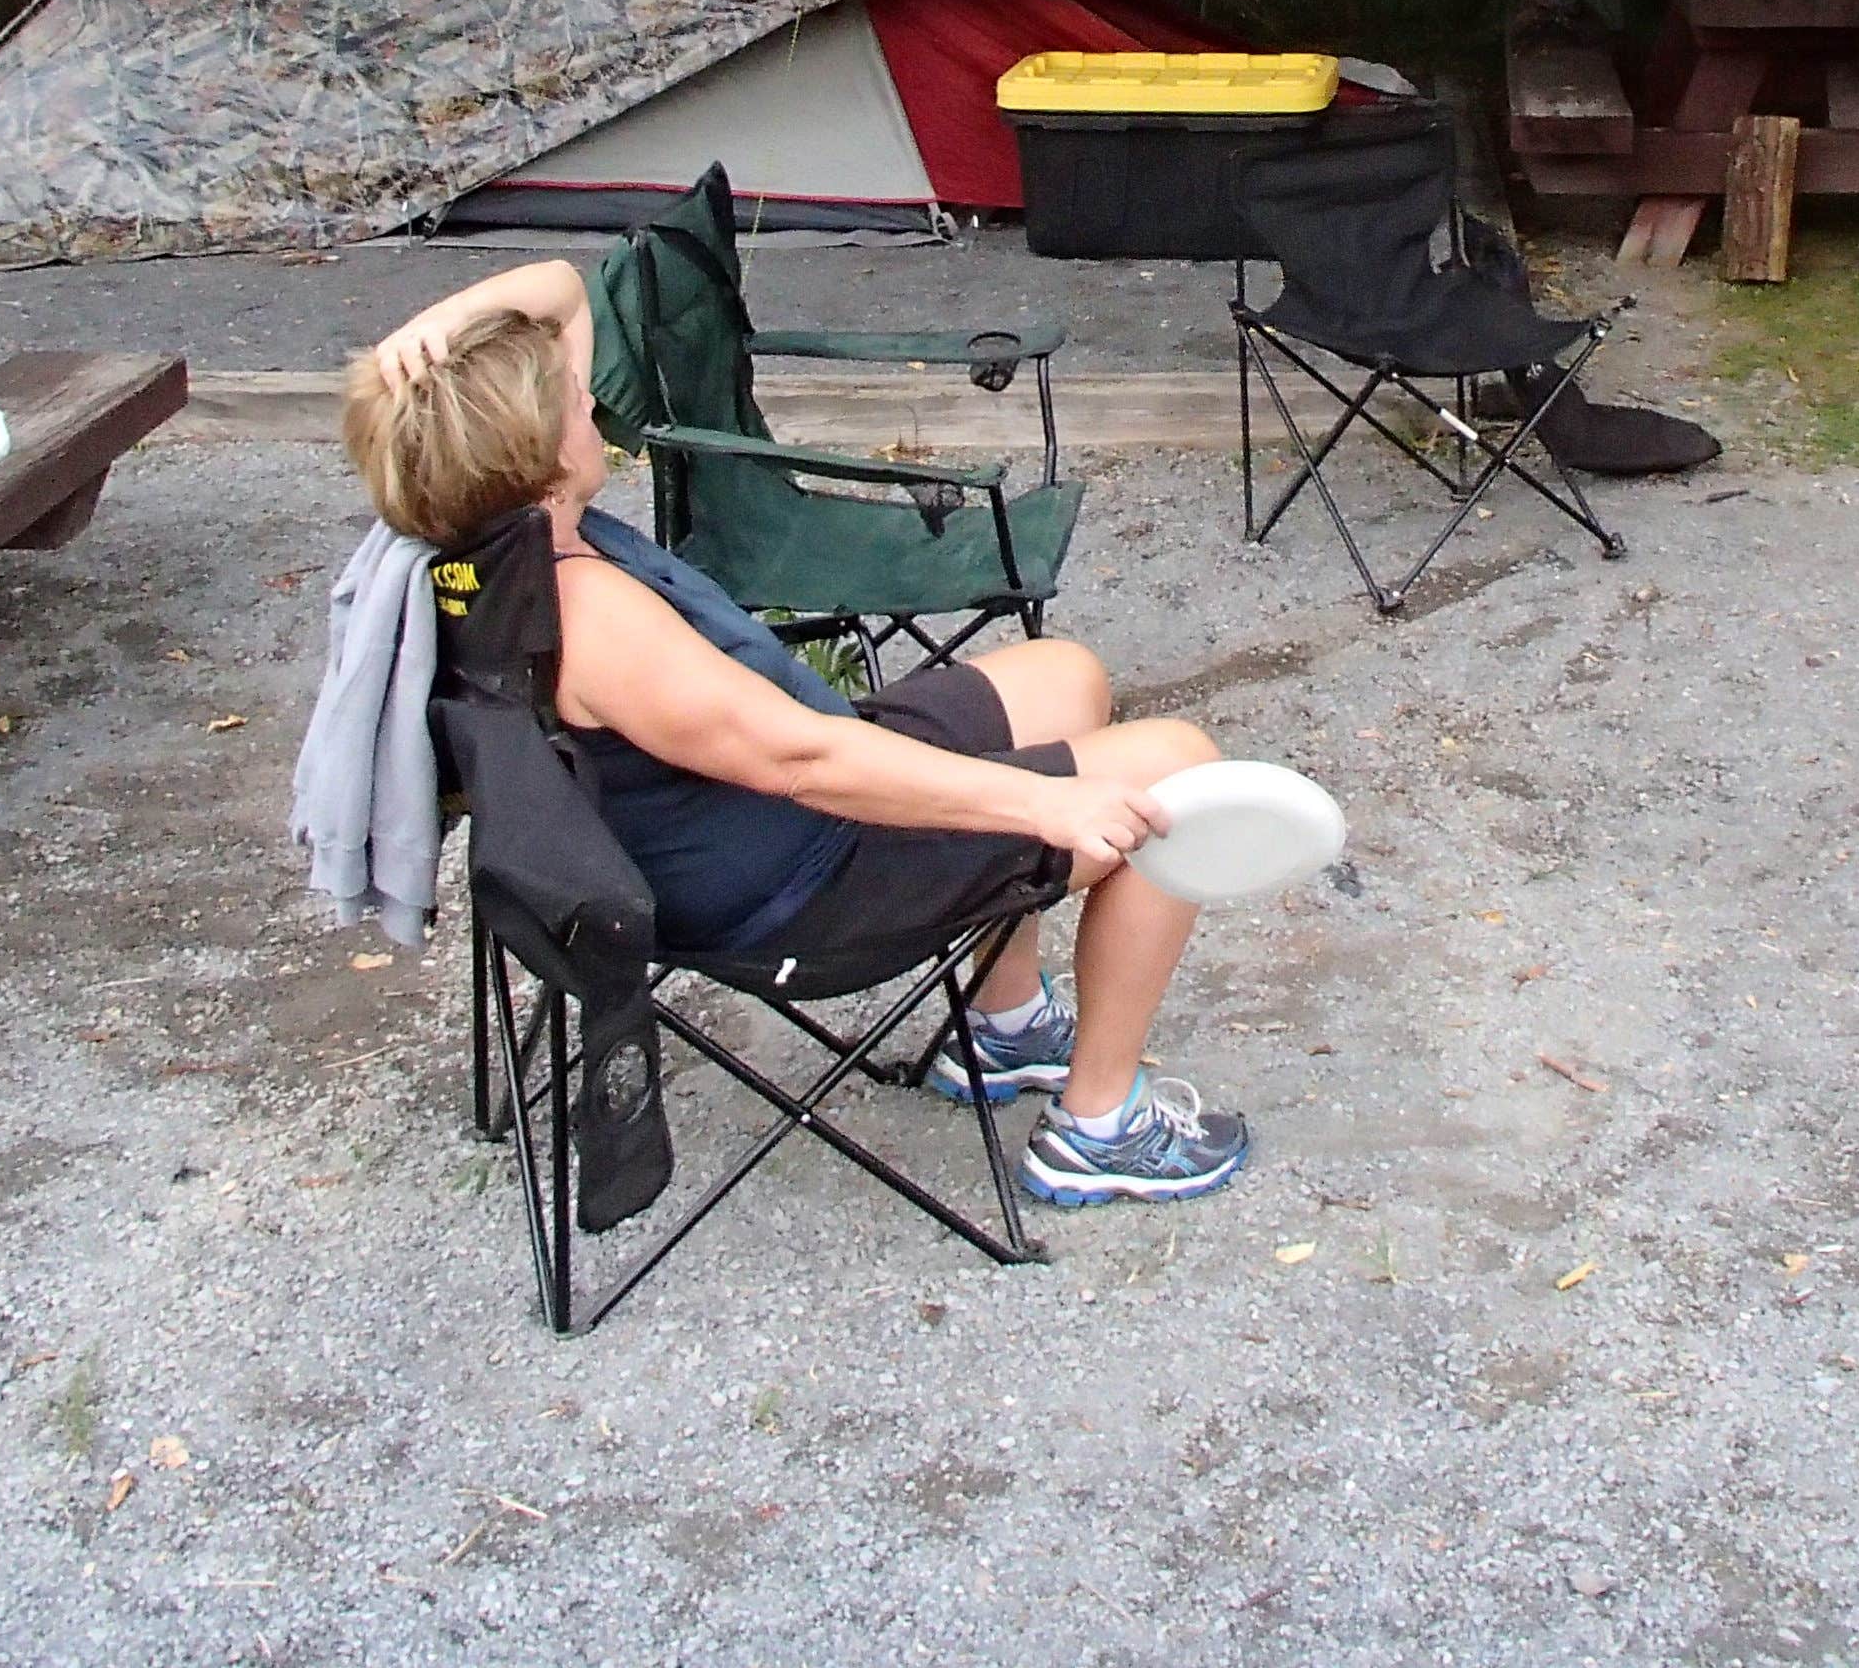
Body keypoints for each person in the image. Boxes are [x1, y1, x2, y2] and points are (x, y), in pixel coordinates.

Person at [340, 258, 1249, 1208]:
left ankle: (1006, 1020)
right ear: (534, 451)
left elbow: (565, 289)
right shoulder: (594, 619)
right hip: (796, 883)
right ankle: (1099, 1125)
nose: (592, 406)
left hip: (741, 813)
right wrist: (1046, 801)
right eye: (573, 400)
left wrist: (432, 337)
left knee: (1066, 677)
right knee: (1179, 776)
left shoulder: (492, 549)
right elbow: (804, 761)